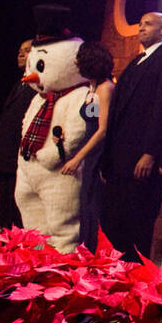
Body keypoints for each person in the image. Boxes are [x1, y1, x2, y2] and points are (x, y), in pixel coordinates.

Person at [100, 12, 162, 262]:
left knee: (137, 224)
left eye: (148, 24)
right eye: (140, 24)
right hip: (119, 160)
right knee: (114, 224)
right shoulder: (136, 62)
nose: (141, 28)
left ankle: (133, 285)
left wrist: (150, 152)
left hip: (140, 159)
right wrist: (107, 159)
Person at [66, 41, 115, 249]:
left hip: (98, 153)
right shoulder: (92, 87)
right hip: (88, 150)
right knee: (86, 204)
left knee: (94, 206)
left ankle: (95, 257)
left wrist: (78, 157)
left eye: (80, 58)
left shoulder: (106, 88)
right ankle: (85, 252)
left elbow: (102, 129)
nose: (76, 62)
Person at [0, 40, 34, 230]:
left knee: (16, 212)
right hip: (6, 160)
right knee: (4, 209)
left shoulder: (38, 86)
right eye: (19, 51)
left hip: (18, 159)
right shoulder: (20, 83)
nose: (21, 54)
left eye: (27, 51)